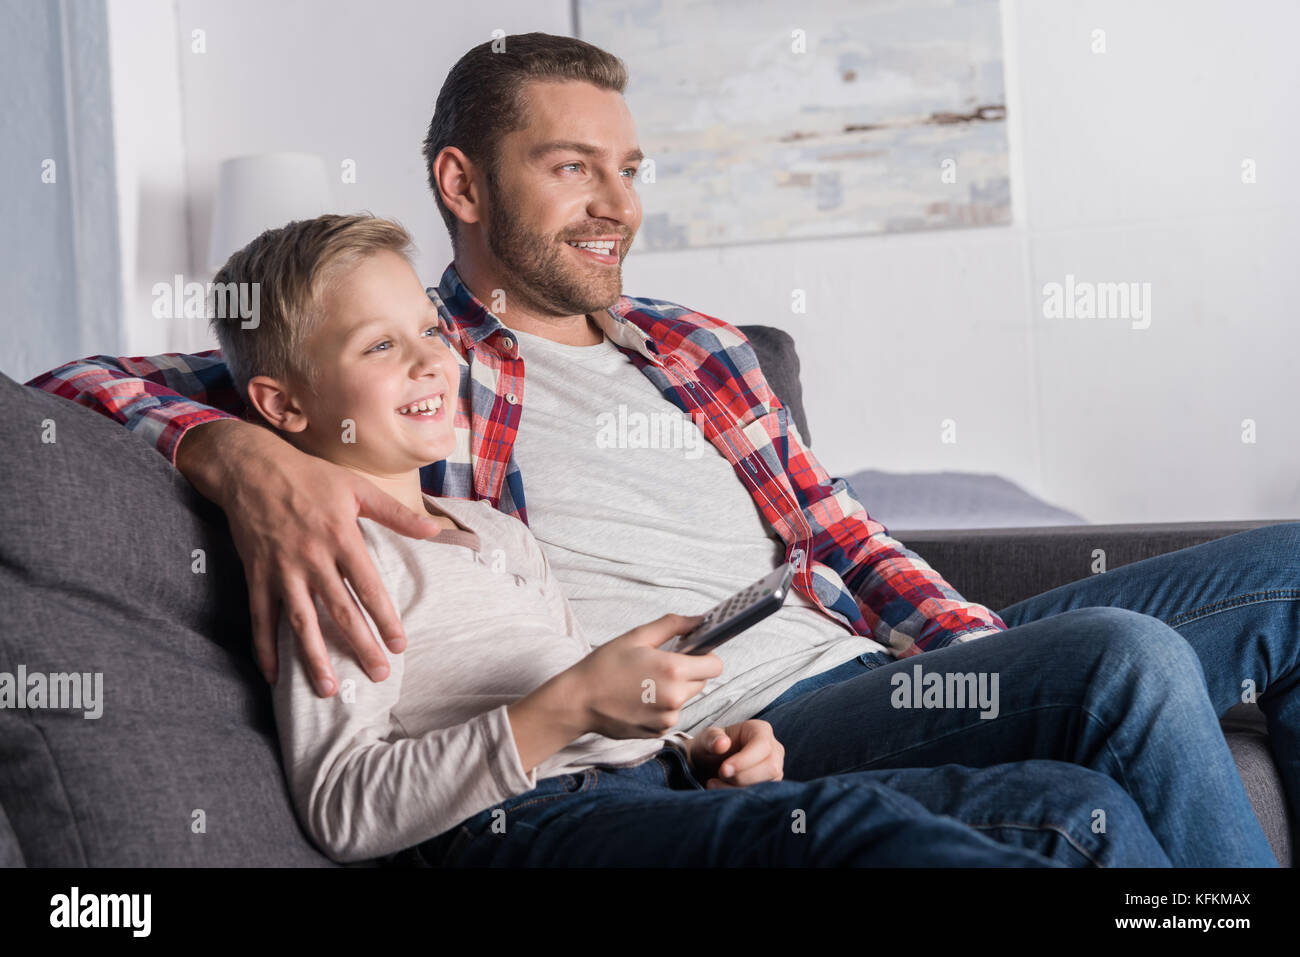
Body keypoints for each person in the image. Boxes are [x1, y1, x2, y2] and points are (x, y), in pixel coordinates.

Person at [27, 34, 1289, 867]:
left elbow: (843, 541)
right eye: (571, 165)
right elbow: (67, 389)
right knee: (1126, 663)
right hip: (738, 708)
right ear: (461, 185)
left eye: (627, 168)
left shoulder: (694, 345)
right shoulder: (411, 355)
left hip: (863, 670)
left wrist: (996, 681)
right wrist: (235, 458)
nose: (617, 202)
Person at [210, 210, 1164, 867]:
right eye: (380, 346)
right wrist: (572, 698)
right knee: (846, 823)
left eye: (427, 328)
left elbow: (595, 706)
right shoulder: (326, 554)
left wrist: (705, 741)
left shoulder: (495, 532)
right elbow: (343, 802)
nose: (431, 357)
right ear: (282, 404)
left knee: (1074, 805)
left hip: (654, 786)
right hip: (517, 830)